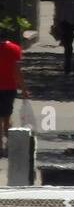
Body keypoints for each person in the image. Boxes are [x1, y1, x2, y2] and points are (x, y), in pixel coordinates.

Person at [0, 24, 28, 157]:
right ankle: (9, 145)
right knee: (6, 117)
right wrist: (23, 89)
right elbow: (17, 71)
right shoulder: (14, 49)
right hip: (9, 88)